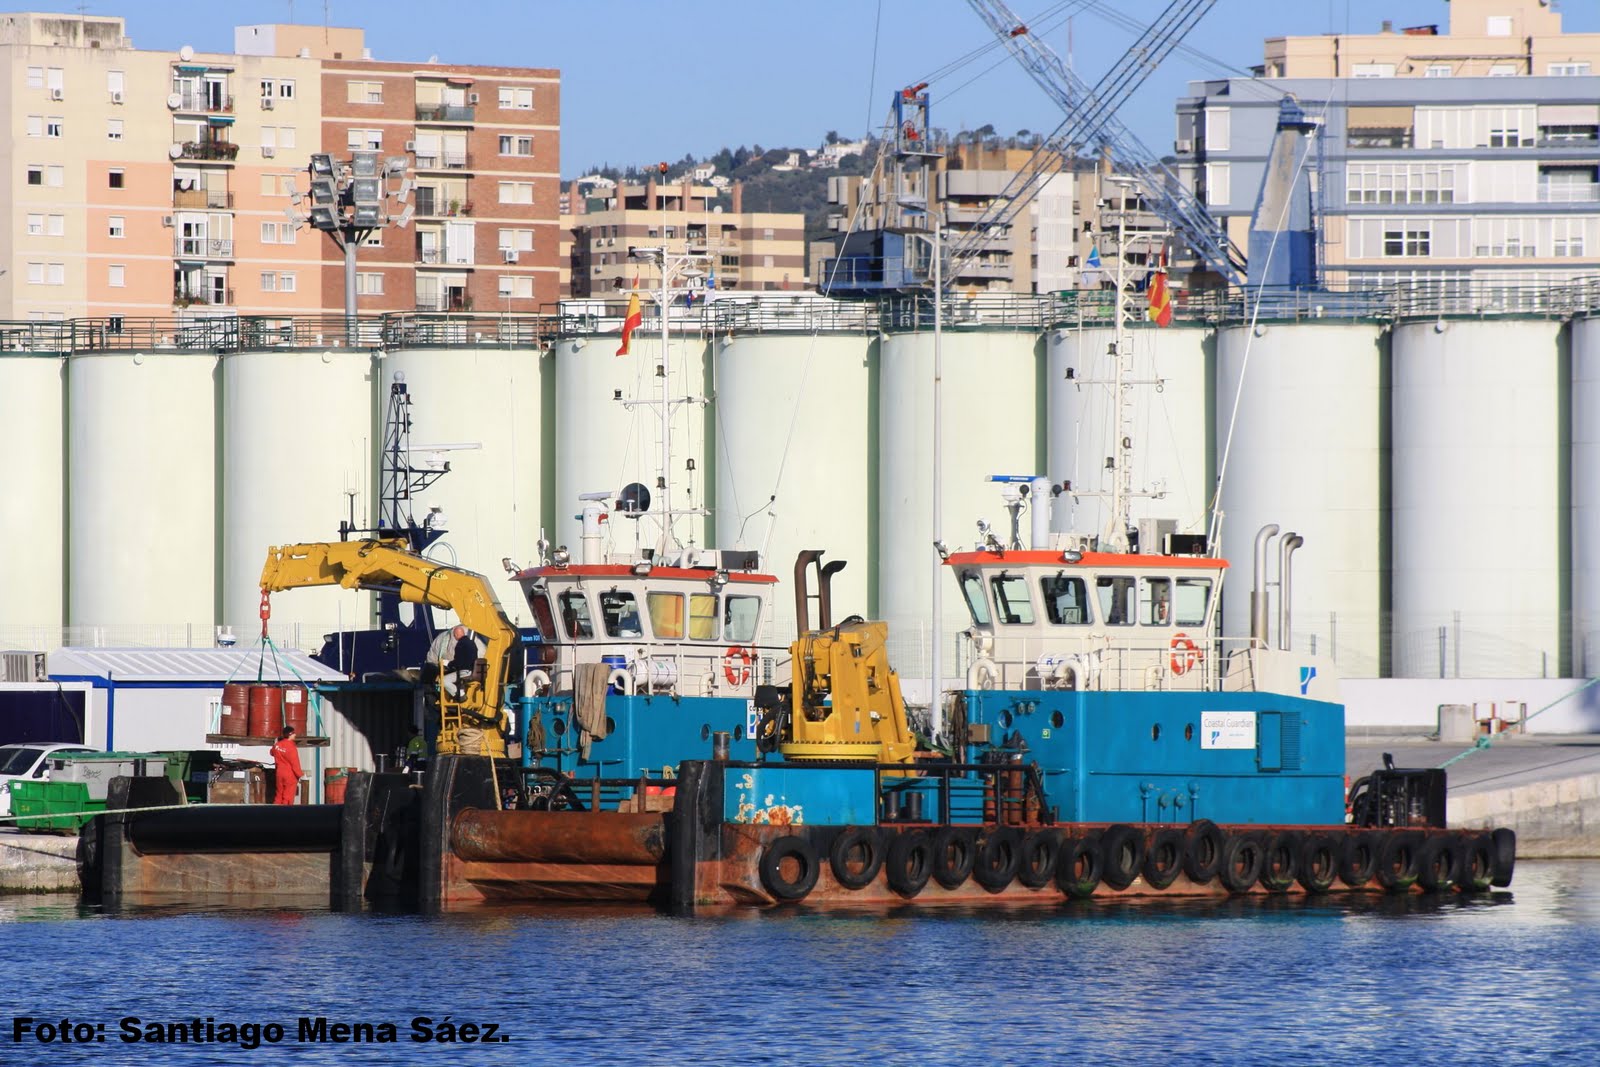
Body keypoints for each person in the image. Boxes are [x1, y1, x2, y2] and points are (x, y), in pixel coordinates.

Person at [270, 725, 302, 805]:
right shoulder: (291, 747)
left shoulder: (277, 745)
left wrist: (275, 744)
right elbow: (295, 763)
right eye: (294, 733)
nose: (295, 735)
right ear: (290, 734)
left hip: (279, 773)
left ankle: (275, 812)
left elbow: (271, 752)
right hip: (289, 774)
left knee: (279, 794)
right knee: (288, 796)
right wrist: (300, 774)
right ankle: (285, 813)